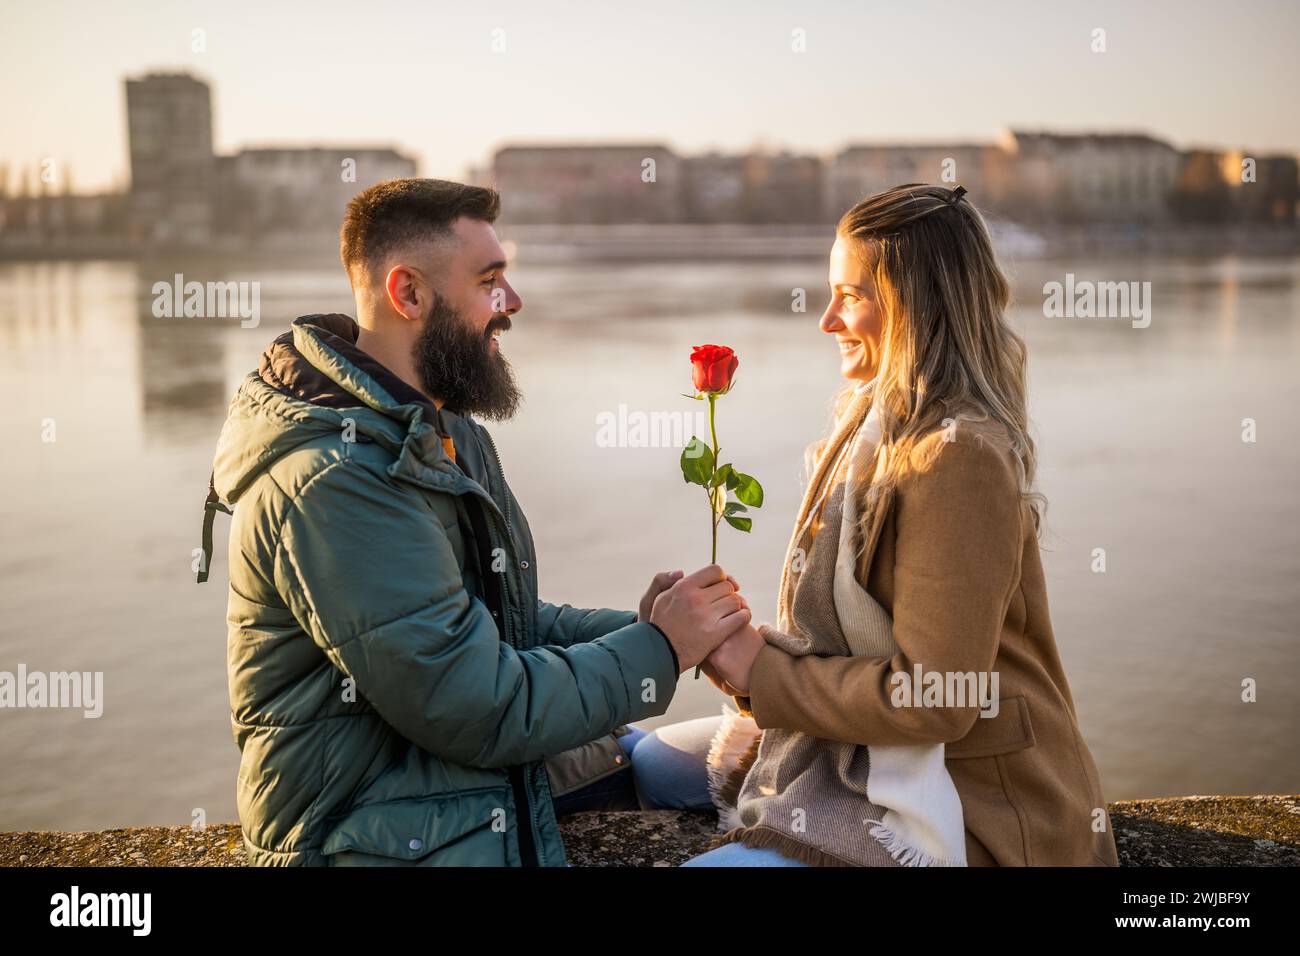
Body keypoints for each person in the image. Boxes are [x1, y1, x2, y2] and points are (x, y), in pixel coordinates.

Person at [200, 178, 751, 866]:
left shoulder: (440, 427)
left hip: (445, 792)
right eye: (491, 281)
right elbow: (478, 707)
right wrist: (660, 652)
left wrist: (654, 629)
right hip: (374, 834)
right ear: (408, 294)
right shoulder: (335, 480)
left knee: (737, 766)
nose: (513, 303)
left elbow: (494, 620)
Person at [633, 183, 1121, 867]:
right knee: (648, 761)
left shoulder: (957, 457)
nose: (827, 319)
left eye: (852, 296)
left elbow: (939, 700)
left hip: (964, 791)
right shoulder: (867, 423)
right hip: (864, 747)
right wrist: (731, 650)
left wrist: (763, 672)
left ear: (921, 308)